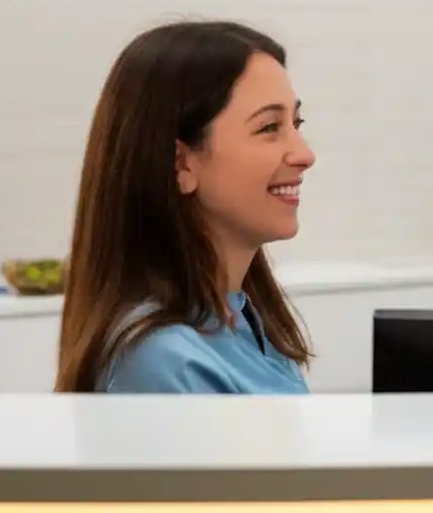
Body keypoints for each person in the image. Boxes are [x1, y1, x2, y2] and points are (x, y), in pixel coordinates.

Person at [54, 21, 316, 393]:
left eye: (297, 122)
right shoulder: (162, 361)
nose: (305, 154)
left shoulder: (247, 320)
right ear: (181, 163)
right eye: (270, 127)